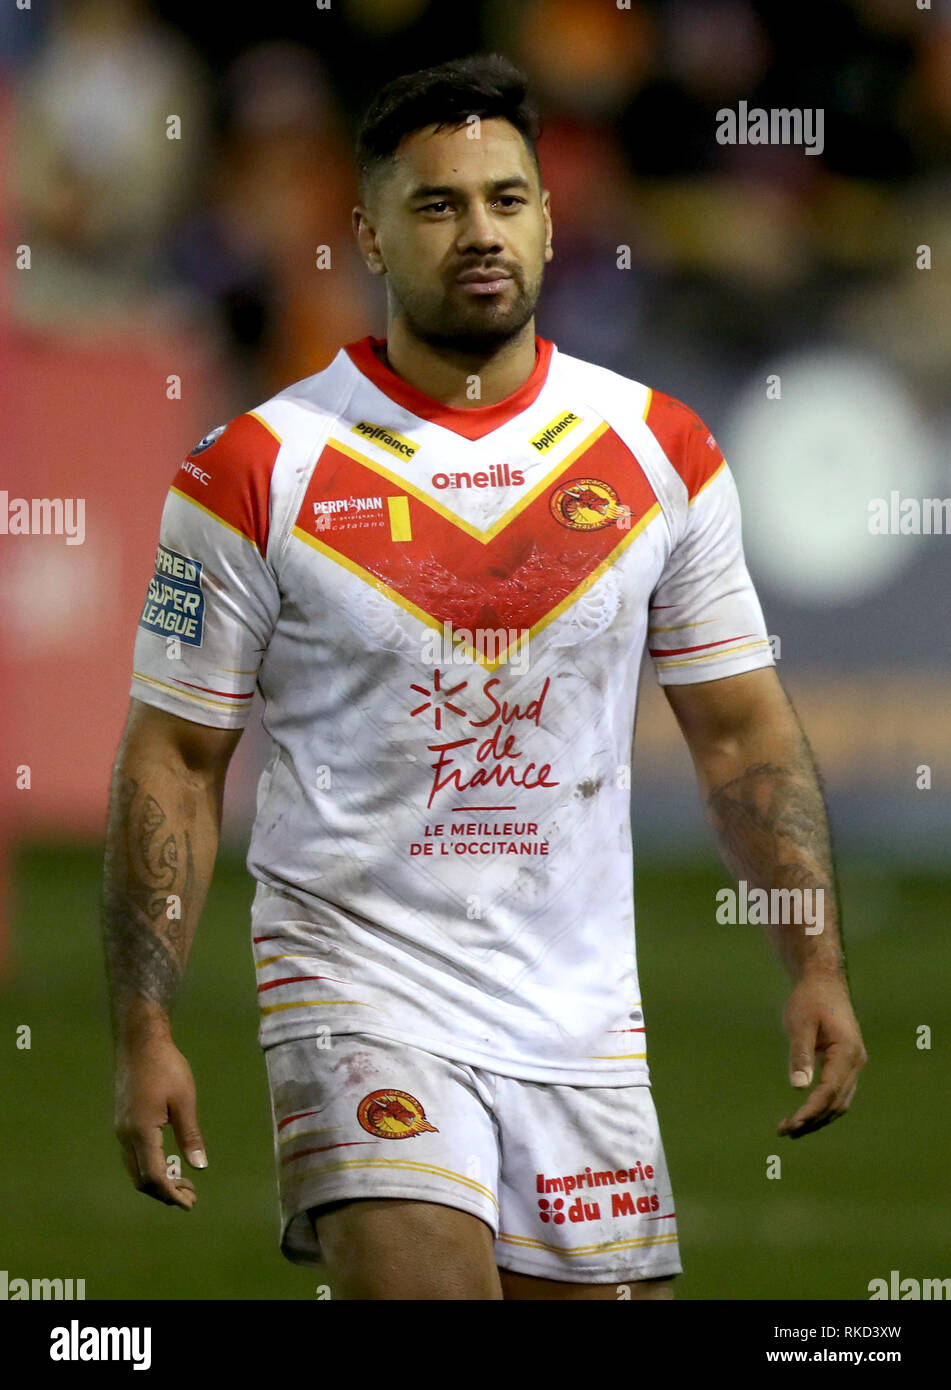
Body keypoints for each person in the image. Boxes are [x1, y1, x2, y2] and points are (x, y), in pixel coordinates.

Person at [101, 53, 867, 1301]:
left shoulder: (660, 451)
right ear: (368, 231)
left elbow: (739, 734)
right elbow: (175, 758)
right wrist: (143, 1031)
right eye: (438, 204)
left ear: (551, 219)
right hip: (356, 989)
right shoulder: (253, 468)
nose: (479, 233)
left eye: (506, 200)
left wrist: (816, 962)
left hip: (583, 1023)